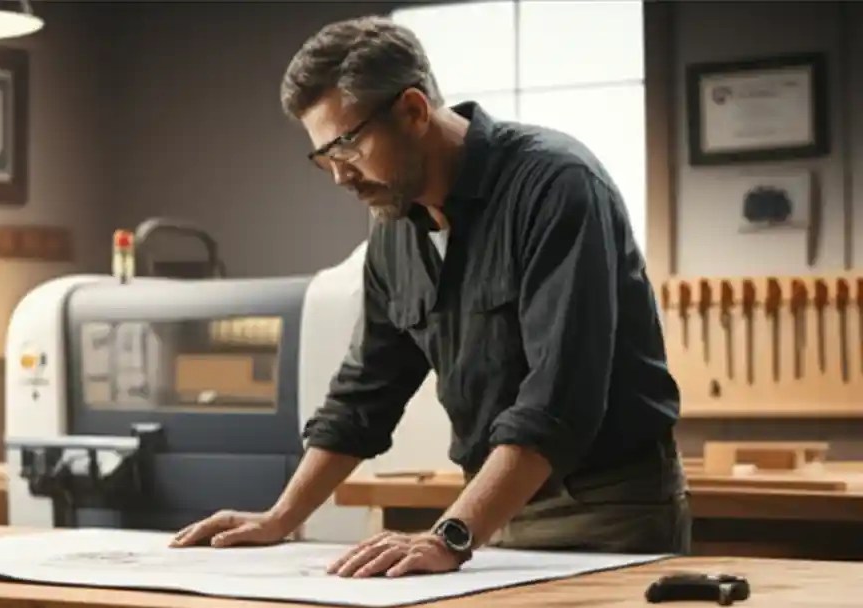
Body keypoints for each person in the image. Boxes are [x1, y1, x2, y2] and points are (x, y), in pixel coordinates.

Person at [171, 16, 689, 576]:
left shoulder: (557, 185)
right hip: (491, 510)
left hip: (605, 511)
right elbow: (364, 392)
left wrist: (452, 536)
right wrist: (280, 516)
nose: (340, 175)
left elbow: (559, 399)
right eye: (323, 156)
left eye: (347, 144)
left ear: (414, 111)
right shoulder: (393, 226)